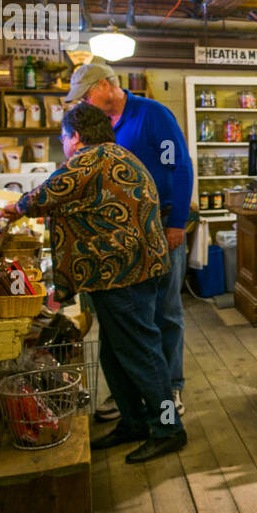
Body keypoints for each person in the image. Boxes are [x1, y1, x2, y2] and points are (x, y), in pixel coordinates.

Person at [4, 103, 187, 463]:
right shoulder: (121, 154)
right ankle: (134, 421)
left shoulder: (90, 159)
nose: (64, 143)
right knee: (116, 354)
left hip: (121, 274)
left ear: (76, 135)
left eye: (63, 137)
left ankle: (169, 429)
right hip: (134, 270)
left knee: (142, 353)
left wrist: (15, 207)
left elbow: (47, 194)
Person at [65, 62, 194, 418]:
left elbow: (179, 167)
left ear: (106, 86)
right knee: (129, 317)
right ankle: (131, 396)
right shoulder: (100, 126)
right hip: (122, 235)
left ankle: (171, 388)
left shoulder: (152, 115)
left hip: (163, 223)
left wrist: (177, 223)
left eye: (86, 95)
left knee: (165, 309)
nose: (83, 105)